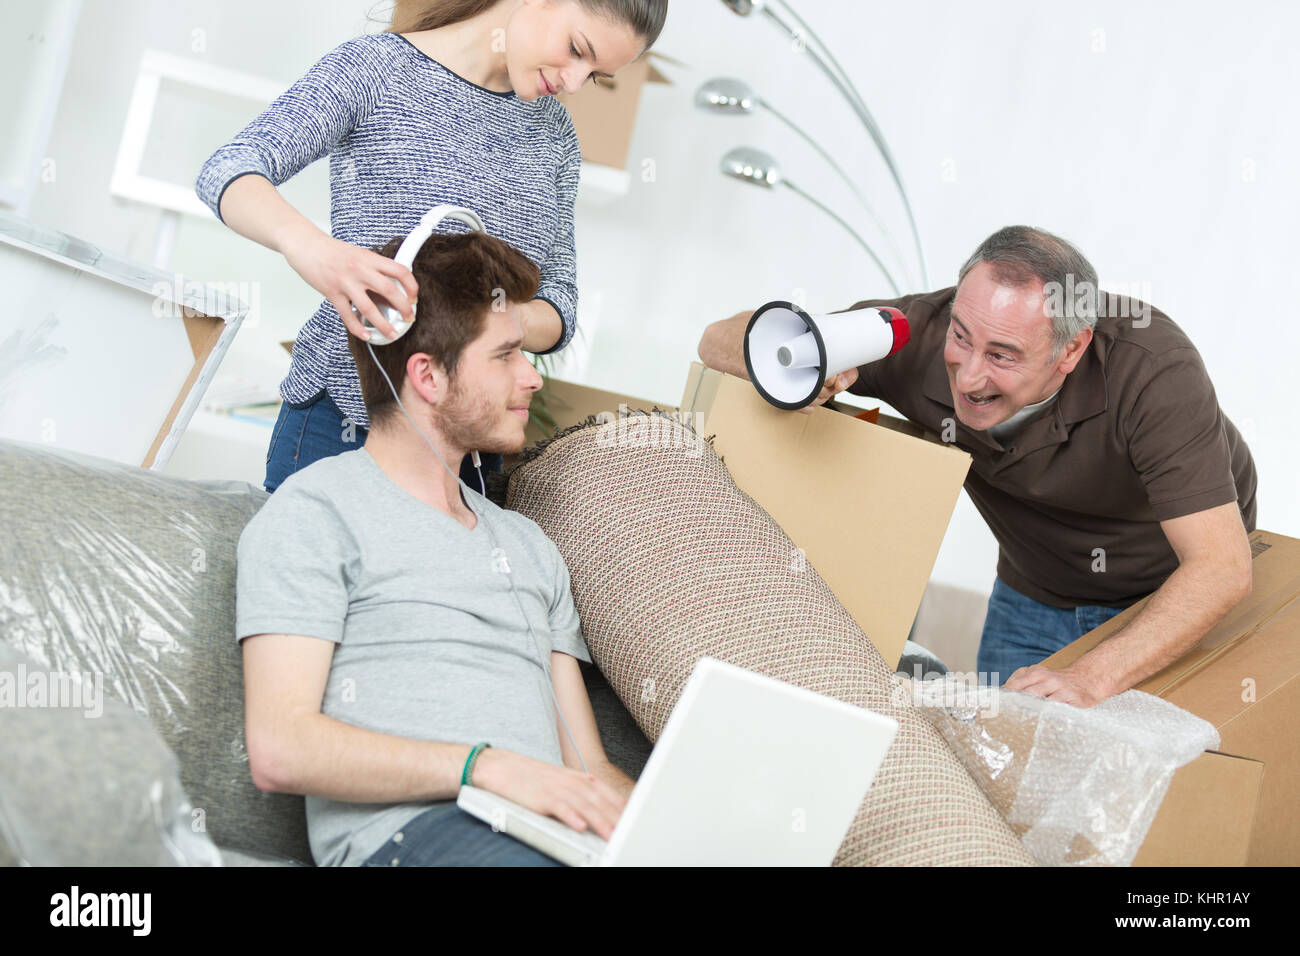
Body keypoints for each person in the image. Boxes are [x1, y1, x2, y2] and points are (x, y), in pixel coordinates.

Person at [697, 225, 1257, 707]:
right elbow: (714, 342)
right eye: (963, 337)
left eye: (1003, 356)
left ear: (1071, 349)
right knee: (1003, 777)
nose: (967, 377)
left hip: (1167, 593)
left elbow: (1220, 568)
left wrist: (1092, 676)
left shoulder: (1154, 371)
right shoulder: (920, 332)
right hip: (1036, 585)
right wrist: (803, 370)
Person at [235, 228, 634, 866]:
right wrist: (486, 768)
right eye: (506, 355)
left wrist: (666, 828)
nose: (531, 378)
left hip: (549, 840)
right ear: (428, 376)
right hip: (417, 838)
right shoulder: (316, 513)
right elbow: (282, 749)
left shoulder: (529, 548)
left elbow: (585, 764)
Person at [195, 0, 668, 492]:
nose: (573, 81)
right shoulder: (376, 70)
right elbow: (230, 169)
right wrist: (316, 251)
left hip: (468, 452)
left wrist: (493, 322)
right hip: (344, 422)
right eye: (577, 50)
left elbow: (561, 302)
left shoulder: (555, 136)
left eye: (594, 75)